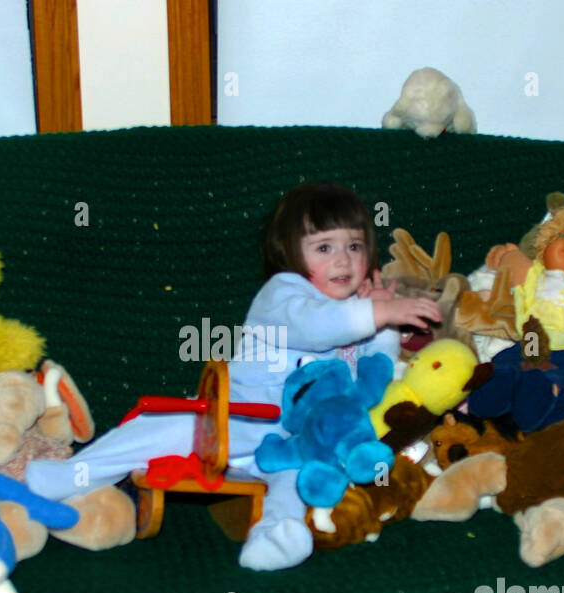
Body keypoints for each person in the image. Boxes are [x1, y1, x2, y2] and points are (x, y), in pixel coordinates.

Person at [24, 182, 440, 570]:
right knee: (161, 428)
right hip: (233, 419)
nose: (343, 260)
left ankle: (276, 536)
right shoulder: (284, 294)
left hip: (289, 441)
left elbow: (375, 373)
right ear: (290, 254)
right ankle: (70, 474)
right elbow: (317, 326)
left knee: (293, 482)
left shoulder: (359, 314)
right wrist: (379, 313)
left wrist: (384, 327)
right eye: (324, 247)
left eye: (354, 245)